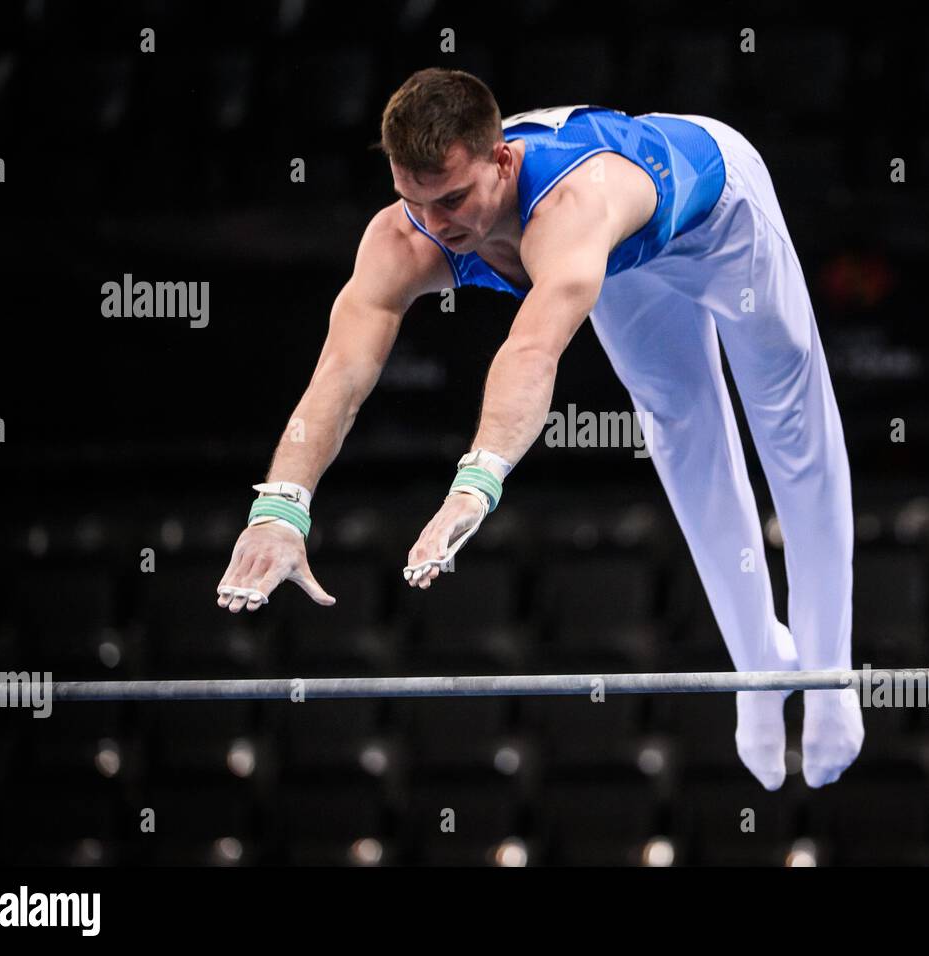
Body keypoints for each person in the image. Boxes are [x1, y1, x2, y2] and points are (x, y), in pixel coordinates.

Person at [215, 67, 862, 790]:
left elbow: (531, 351)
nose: (437, 224)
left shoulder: (574, 203)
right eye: (414, 201)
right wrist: (281, 504)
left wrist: (477, 481)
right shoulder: (403, 236)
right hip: (622, 263)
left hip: (720, 219)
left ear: (503, 160)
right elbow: (339, 374)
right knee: (683, 434)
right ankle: (758, 672)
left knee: (791, 430)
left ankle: (830, 675)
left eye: (453, 199)